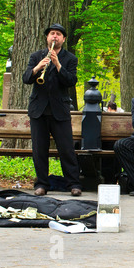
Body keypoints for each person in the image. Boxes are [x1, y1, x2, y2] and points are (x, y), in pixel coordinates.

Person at [22, 23, 82, 196]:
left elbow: (71, 81)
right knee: (39, 149)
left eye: (58, 34)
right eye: (52, 34)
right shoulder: (36, 56)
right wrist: (38, 67)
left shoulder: (70, 58)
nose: (54, 37)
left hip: (59, 110)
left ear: (63, 39)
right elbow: (26, 78)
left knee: (66, 149)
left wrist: (57, 64)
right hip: (38, 110)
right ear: (47, 38)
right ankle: (41, 184)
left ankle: (74, 184)